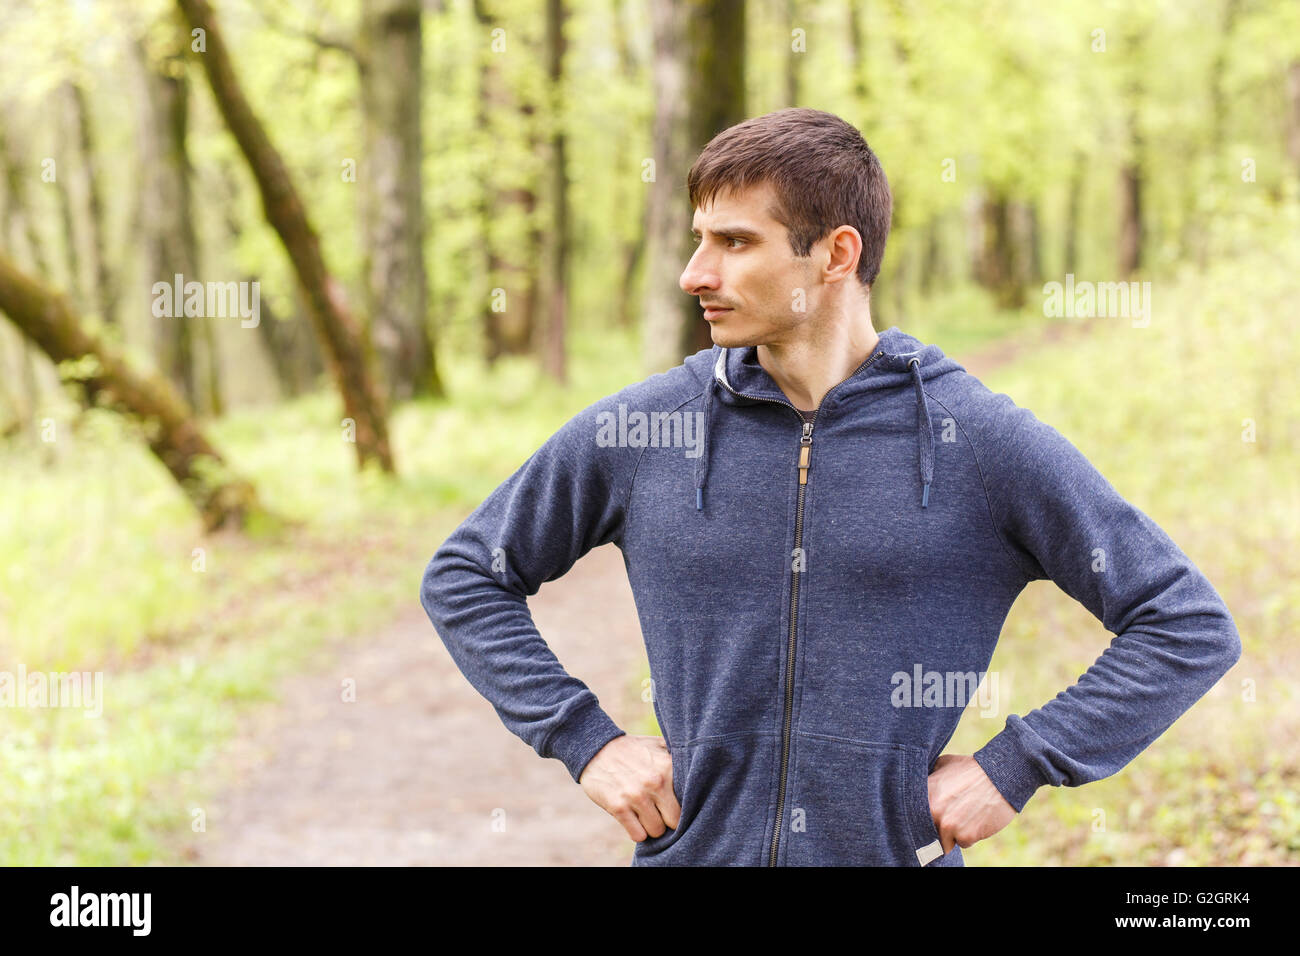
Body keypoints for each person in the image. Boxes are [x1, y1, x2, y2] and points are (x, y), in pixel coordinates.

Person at [420, 107, 1241, 866]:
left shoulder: (978, 443)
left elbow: (1185, 624)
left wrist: (1015, 766)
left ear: (837, 255)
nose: (694, 273)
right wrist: (586, 740)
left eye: (735, 243)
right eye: (699, 239)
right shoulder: (648, 430)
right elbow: (467, 574)